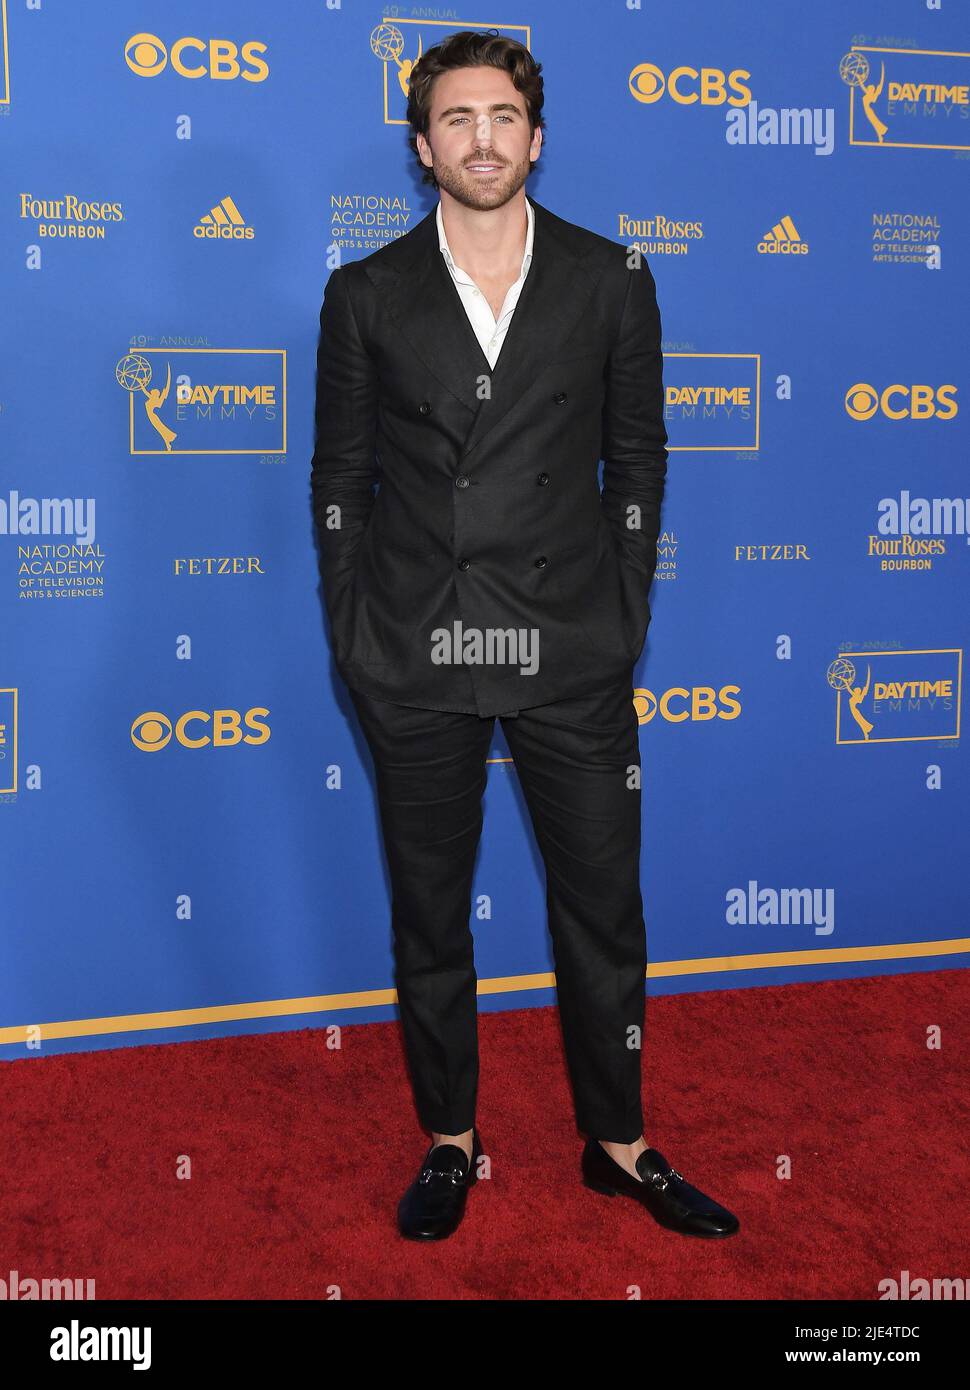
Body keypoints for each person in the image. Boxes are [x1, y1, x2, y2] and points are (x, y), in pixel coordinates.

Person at [310, 29, 739, 1242]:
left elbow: (639, 457)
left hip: (570, 647)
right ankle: (452, 1139)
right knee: (431, 911)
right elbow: (339, 474)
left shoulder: (614, 280)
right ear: (422, 146)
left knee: (603, 907)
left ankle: (618, 1142)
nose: (482, 138)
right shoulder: (364, 294)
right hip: (417, 649)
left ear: (535, 138)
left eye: (502, 116)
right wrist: (355, 628)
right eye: (456, 120)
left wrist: (625, 610)